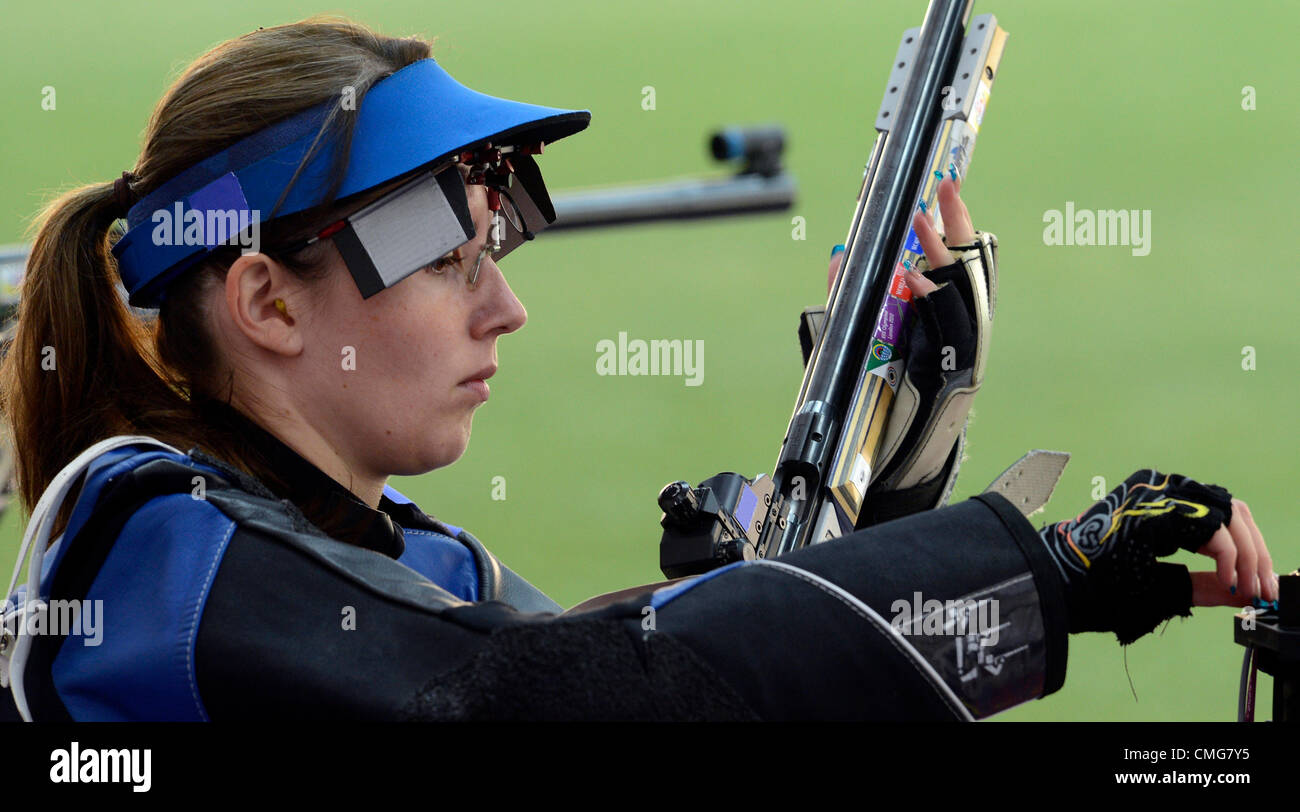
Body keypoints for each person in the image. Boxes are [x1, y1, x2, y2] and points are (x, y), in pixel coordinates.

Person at [0, 17, 1277, 721]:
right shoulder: (142, 553)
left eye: (496, 252)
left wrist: (893, 485)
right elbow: (563, 714)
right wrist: (1031, 573)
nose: (502, 307)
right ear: (268, 300)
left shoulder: (419, 563)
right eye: (450, 260)